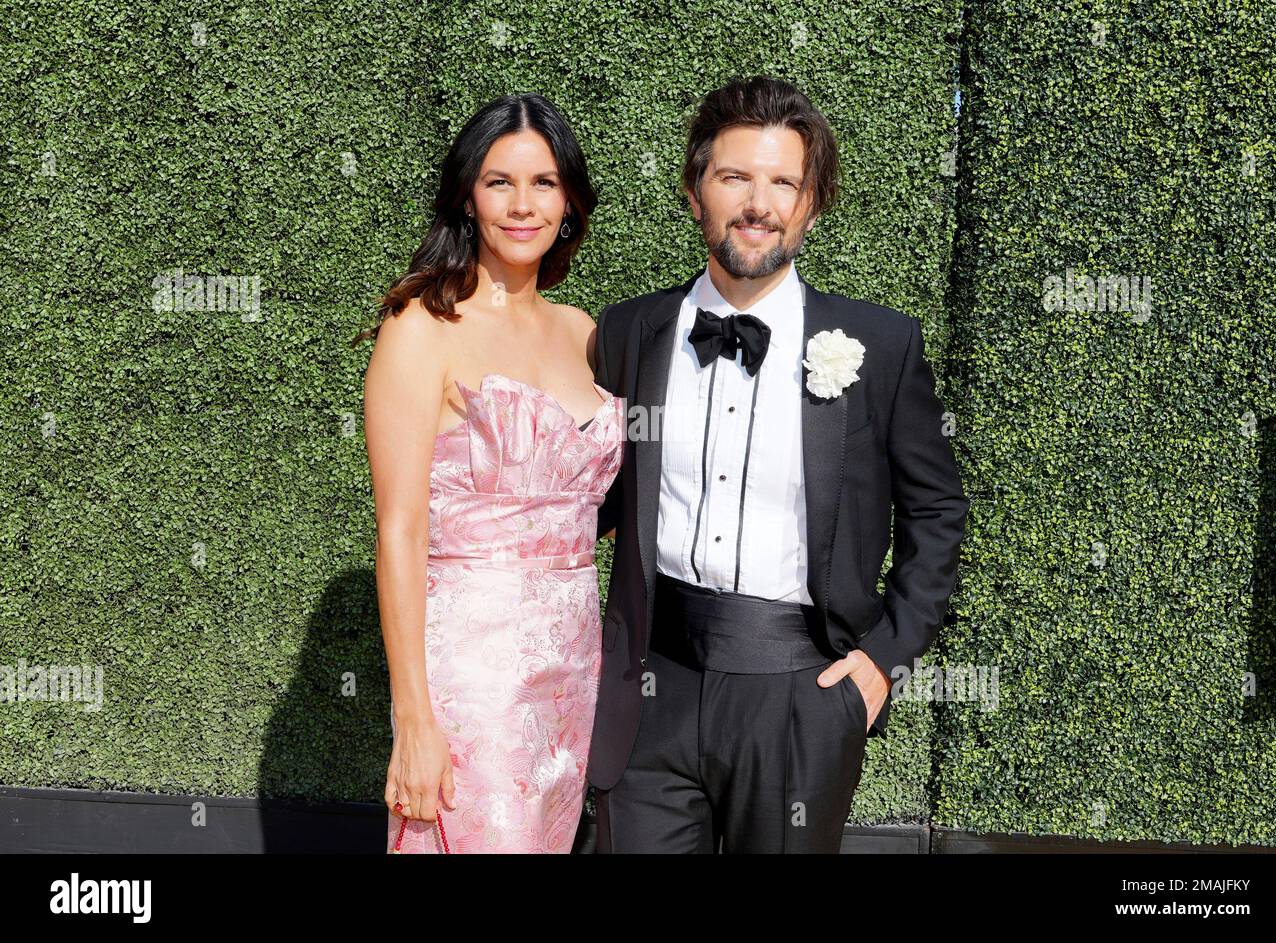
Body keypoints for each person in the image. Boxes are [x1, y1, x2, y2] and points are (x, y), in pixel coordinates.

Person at [589, 76, 969, 852]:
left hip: (802, 696)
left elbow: (937, 512)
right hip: (650, 689)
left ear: (810, 204)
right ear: (694, 191)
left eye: (783, 182)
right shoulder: (629, 331)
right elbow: (583, 500)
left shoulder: (881, 346)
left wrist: (881, 661)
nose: (757, 203)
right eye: (733, 176)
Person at [357, 92, 624, 852]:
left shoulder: (584, 334)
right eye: (499, 181)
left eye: (543, 182)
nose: (522, 203)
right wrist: (414, 719)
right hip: (471, 674)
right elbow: (400, 530)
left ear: (569, 201)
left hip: (574, 668)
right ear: (468, 198)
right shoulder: (420, 326)